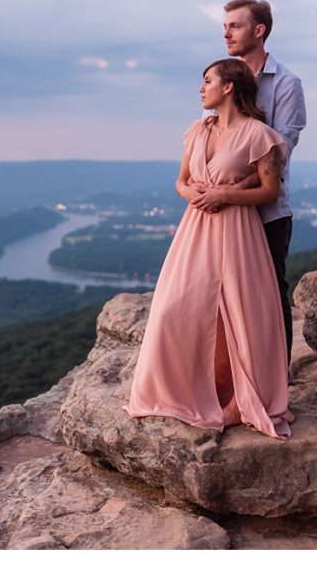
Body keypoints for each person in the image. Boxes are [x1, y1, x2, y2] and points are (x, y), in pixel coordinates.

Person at [124, 58, 292, 439]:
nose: (201, 89)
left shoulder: (259, 135)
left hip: (237, 229)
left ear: (229, 87)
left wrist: (226, 194)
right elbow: (180, 182)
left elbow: (270, 191)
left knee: (233, 312)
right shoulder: (197, 130)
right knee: (176, 306)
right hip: (196, 226)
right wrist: (193, 193)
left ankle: (231, 399)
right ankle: (182, 390)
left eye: (207, 81)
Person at [212, 0, 306, 366]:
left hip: (267, 209)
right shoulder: (223, 77)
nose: (227, 33)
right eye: (225, 27)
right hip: (224, 210)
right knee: (223, 293)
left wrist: (232, 188)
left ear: (259, 30)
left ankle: (277, 379)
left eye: (234, 26)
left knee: (269, 294)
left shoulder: (286, 83)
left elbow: (282, 147)